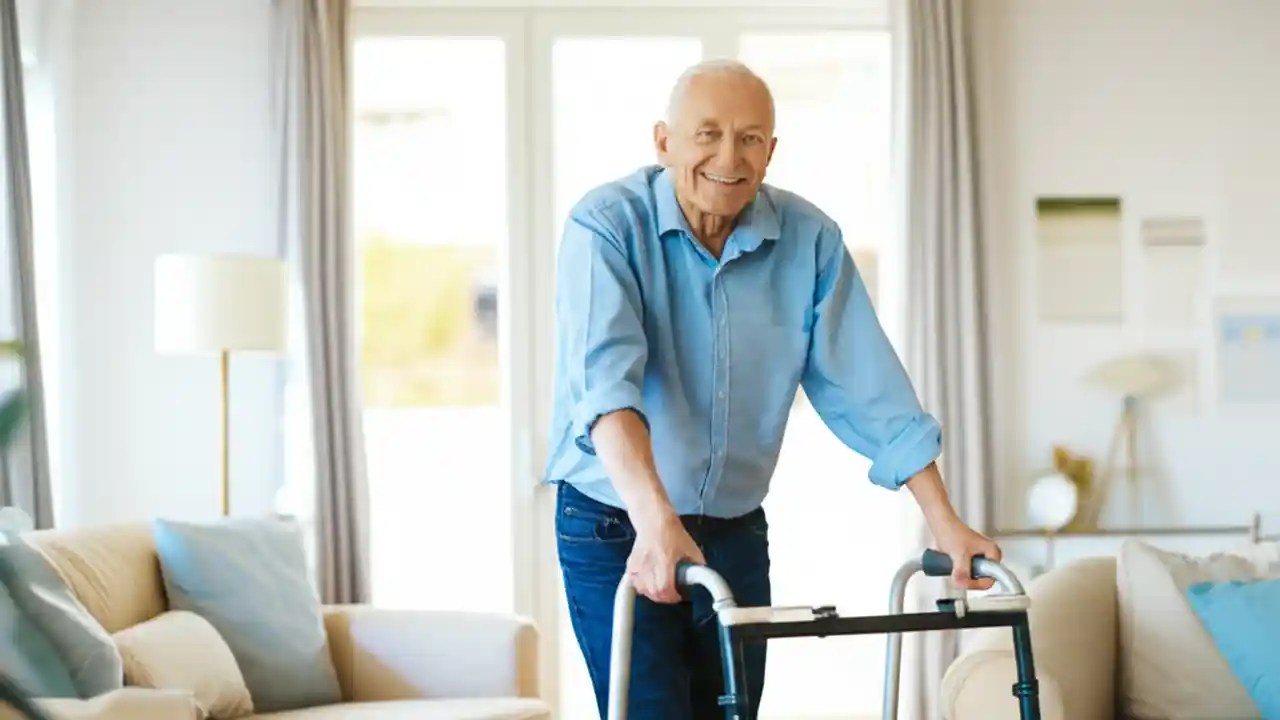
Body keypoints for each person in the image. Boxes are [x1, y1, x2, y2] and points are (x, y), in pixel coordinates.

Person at [544, 58, 1001, 720]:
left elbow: (869, 386)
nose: (729, 157)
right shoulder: (607, 227)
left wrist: (946, 521)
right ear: (664, 141)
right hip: (616, 521)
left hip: (731, 527)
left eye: (750, 138)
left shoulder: (810, 241)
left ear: (771, 151)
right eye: (707, 134)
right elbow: (606, 387)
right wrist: (656, 523)